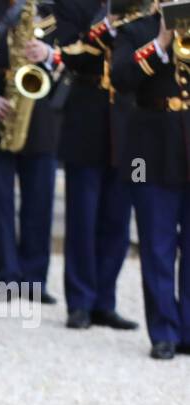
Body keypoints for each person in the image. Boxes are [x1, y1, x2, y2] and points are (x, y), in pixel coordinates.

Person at [0, 0, 65, 305]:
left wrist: (48, 54)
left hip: (40, 116)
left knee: (40, 203)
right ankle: (7, 278)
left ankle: (35, 280)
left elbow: (73, 59)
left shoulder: (50, 11)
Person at [112, 1, 190, 359]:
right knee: (157, 244)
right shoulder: (136, 29)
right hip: (150, 148)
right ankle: (163, 331)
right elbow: (121, 78)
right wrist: (160, 42)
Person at [55, 0, 138, 332]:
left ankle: (106, 300)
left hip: (128, 121)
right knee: (82, 217)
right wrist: (108, 24)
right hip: (87, 115)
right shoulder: (73, 5)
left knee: (118, 218)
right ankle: (80, 302)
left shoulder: (141, 7)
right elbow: (68, 53)